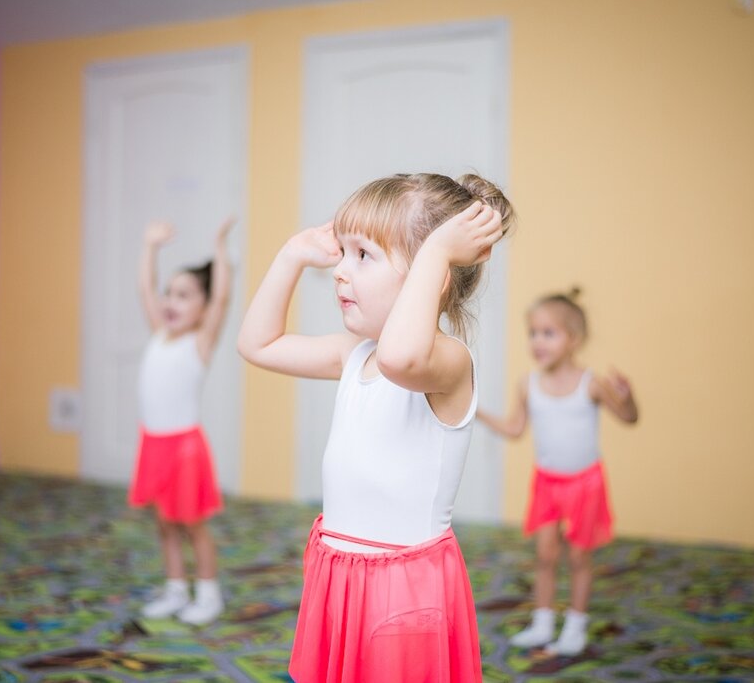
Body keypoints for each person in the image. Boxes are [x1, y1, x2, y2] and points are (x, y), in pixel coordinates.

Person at [239, 173, 514, 682]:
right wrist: (292, 256)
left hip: (403, 587)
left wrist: (435, 254)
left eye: (363, 256)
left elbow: (401, 358)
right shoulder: (355, 355)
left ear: (436, 275)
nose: (341, 272)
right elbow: (258, 344)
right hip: (339, 571)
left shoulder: (447, 362)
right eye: (342, 253)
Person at [476, 289, 639, 656]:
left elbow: (630, 419)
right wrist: (476, 412)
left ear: (574, 340)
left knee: (579, 558)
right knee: (545, 556)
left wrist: (626, 397)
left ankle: (575, 627)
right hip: (547, 483)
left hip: (585, 483)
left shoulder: (591, 383)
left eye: (548, 333)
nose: (537, 341)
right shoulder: (528, 384)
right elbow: (515, 429)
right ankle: (543, 623)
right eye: (533, 333)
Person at [130, 218, 234, 625]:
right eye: (169, 294)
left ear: (203, 308)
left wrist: (221, 252)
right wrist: (149, 247)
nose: (171, 301)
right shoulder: (159, 333)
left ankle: (208, 594)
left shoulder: (200, 342)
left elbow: (223, 299)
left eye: (184, 296)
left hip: (185, 448)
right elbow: (144, 287)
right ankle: (176, 588)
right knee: (164, 523)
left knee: (193, 525)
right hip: (152, 443)